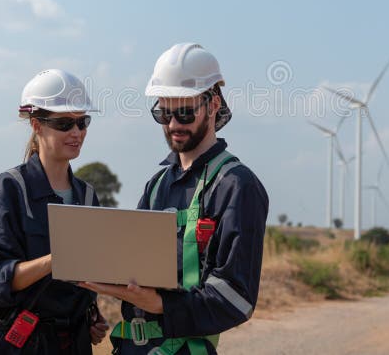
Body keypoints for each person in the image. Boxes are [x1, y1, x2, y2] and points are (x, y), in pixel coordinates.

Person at [82, 43, 269, 355]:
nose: (172, 125)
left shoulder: (237, 186)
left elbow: (238, 298)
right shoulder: (157, 185)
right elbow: (135, 266)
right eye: (163, 113)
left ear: (213, 105)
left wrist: (160, 304)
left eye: (184, 112)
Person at [0, 69, 109, 354]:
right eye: (65, 123)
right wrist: (55, 260)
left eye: (83, 122)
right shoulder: (8, 191)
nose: (76, 132)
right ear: (36, 125)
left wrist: (89, 314)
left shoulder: (88, 197)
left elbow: (85, 278)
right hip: (16, 344)